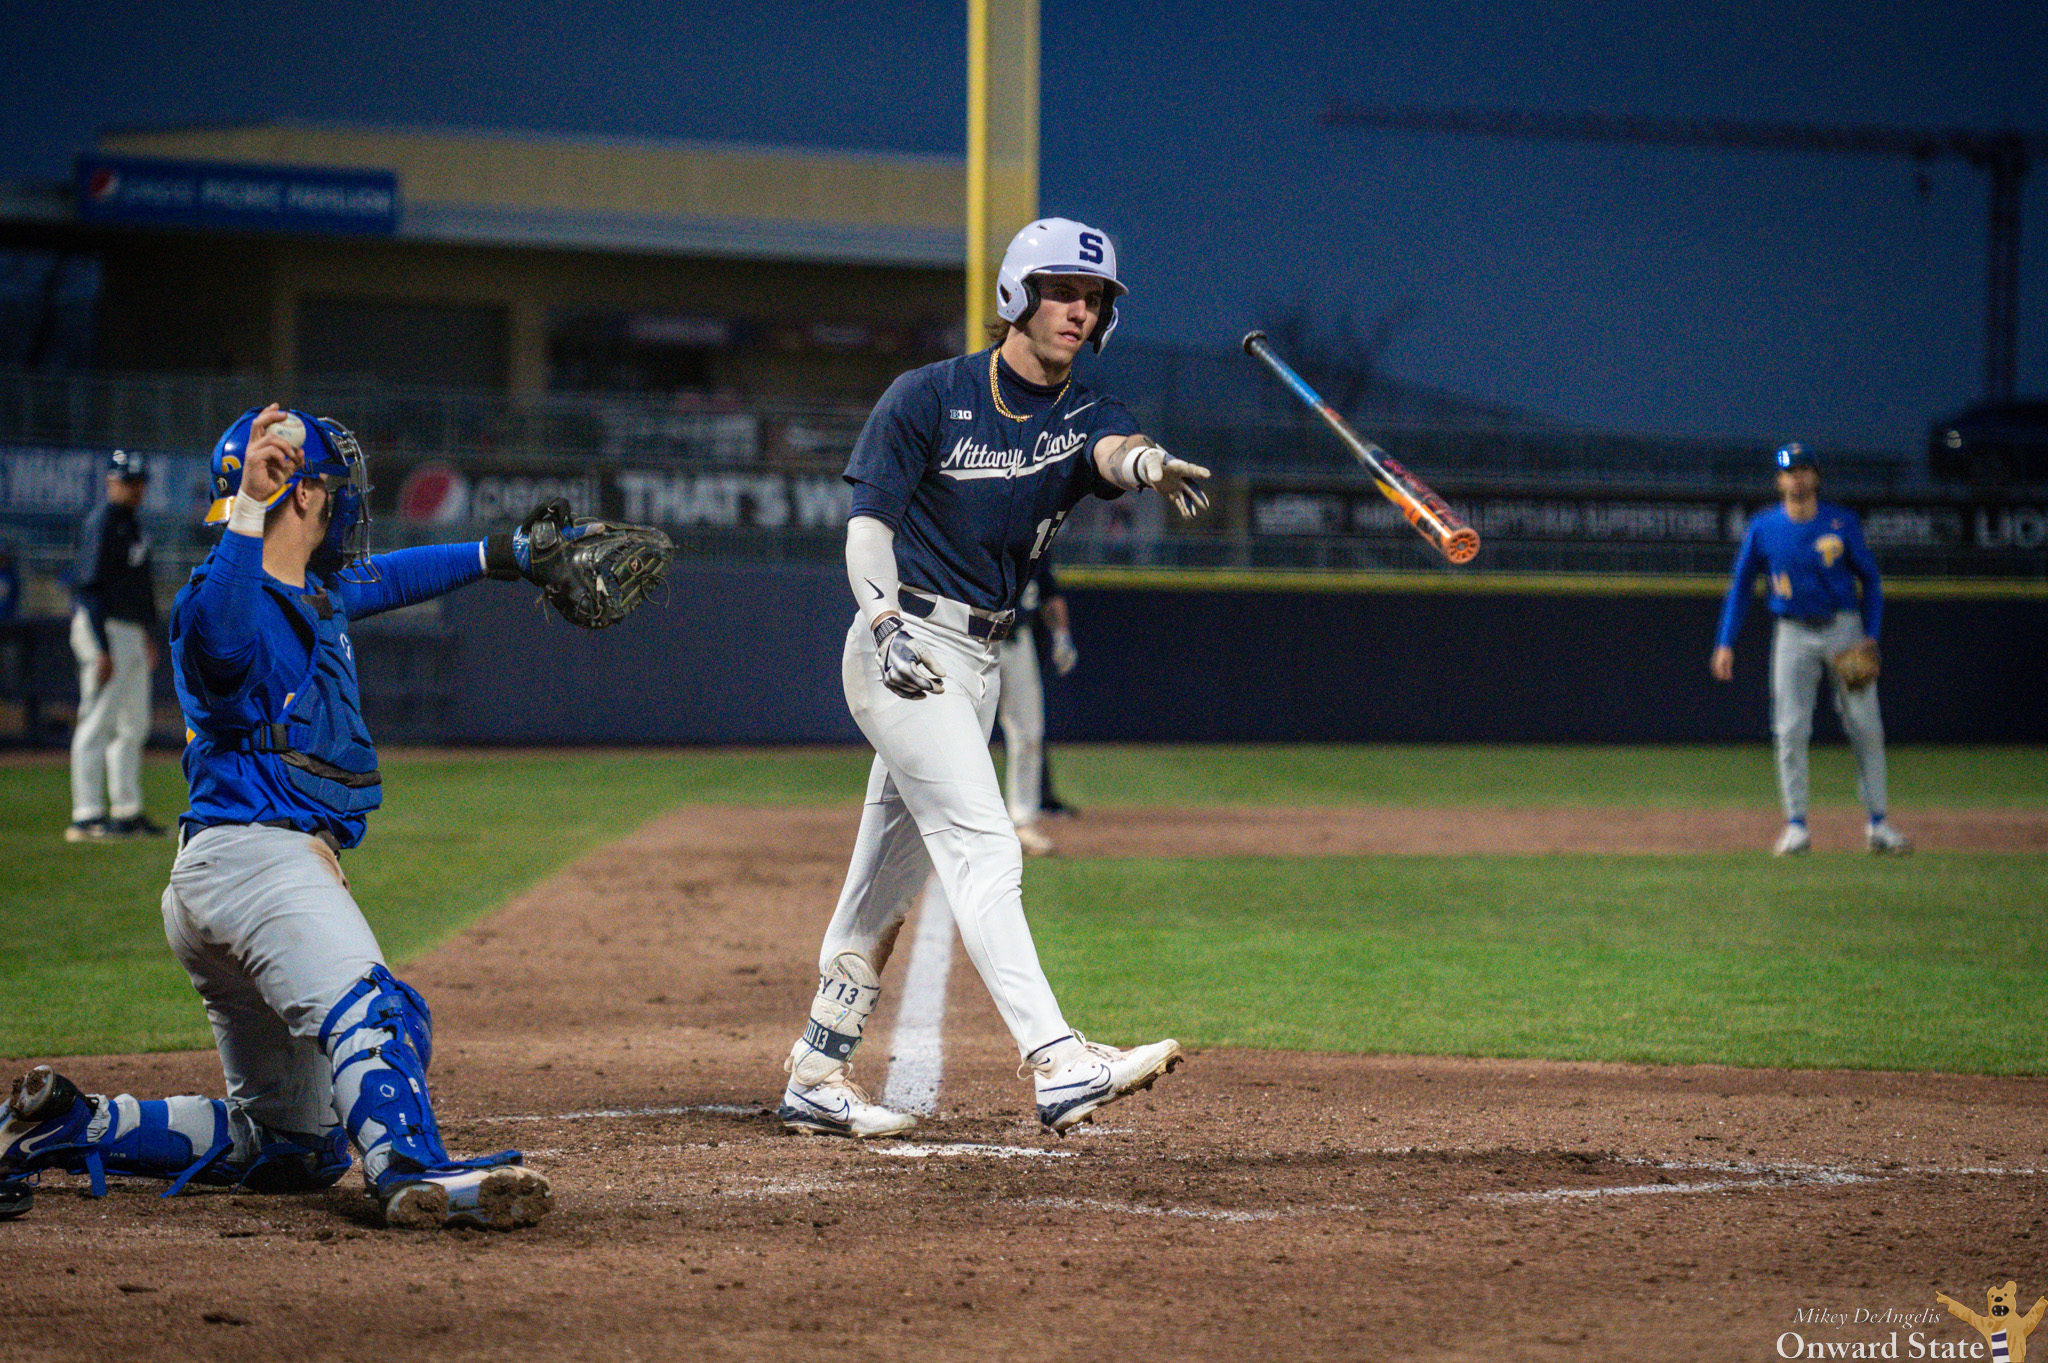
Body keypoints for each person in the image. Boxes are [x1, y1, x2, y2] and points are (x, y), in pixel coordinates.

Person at [2, 404, 576, 1229]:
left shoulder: (316, 589)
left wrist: (505, 554)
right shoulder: (214, 594)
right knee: (378, 1013)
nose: (349, 502)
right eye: (336, 484)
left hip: (227, 876)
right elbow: (225, 647)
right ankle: (413, 1170)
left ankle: (68, 1122)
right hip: (255, 866)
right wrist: (246, 507)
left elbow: (399, 573)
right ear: (301, 494)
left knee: (296, 1144)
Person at [776, 217, 1212, 1139]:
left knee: (881, 884)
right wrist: (884, 618)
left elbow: (1108, 453)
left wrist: (1149, 464)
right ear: (1016, 294)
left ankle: (817, 1069)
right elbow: (867, 528)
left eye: (1093, 300)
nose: (1078, 311)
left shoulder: (1084, 409)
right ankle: (1055, 1061)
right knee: (986, 845)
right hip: (904, 646)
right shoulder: (928, 395)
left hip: (977, 662)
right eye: (1061, 291)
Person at [1711, 442, 1909, 856]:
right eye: (1789, 470)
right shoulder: (1764, 527)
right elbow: (1741, 587)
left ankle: (1879, 825)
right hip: (1792, 634)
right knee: (1789, 729)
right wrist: (1725, 641)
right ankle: (1796, 826)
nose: (1797, 477)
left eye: (1804, 469)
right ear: (1779, 480)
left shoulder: (1841, 521)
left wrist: (1870, 633)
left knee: (1866, 726)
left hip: (1845, 632)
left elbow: (1871, 581)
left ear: (1816, 476)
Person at [67, 449, 164, 841]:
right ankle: (86, 815)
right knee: (97, 721)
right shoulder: (103, 522)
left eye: (139, 481)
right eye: (128, 481)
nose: (135, 487)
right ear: (111, 482)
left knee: (133, 724)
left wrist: (144, 635)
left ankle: (126, 811)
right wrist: (102, 648)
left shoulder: (132, 524)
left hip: (130, 631)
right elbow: (87, 587)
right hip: (103, 627)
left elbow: (136, 589)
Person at [997, 554, 1079, 856]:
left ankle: (1023, 821)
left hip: (1018, 640)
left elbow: (1048, 592)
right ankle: (952, 822)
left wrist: (1061, 634)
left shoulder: (1034, 527)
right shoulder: (977, 517)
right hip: (971, 637)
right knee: (964, 734)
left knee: (1029, 733)